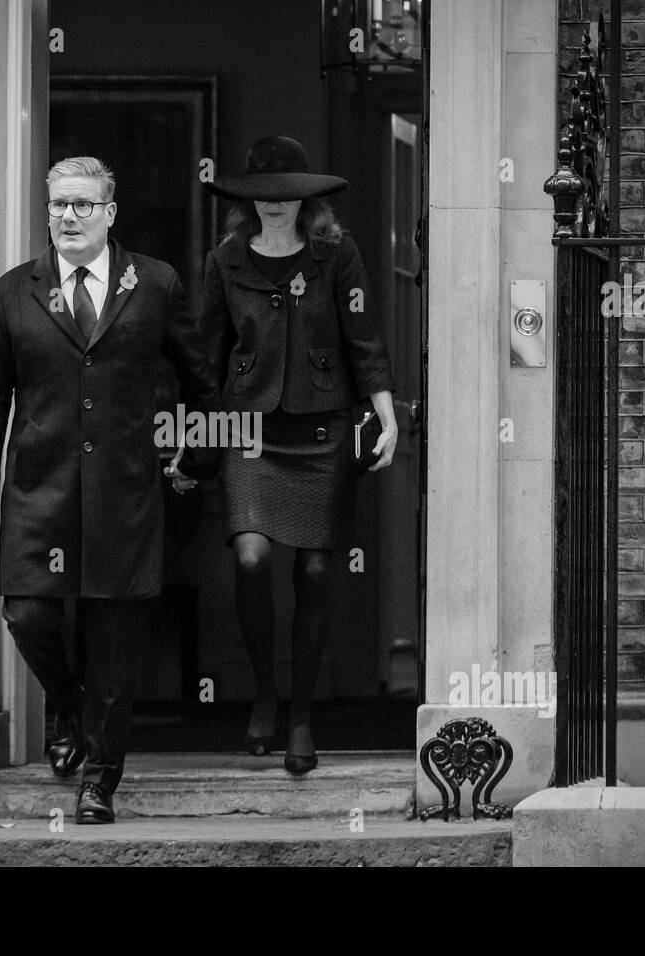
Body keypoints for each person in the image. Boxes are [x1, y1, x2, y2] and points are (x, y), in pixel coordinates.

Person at [0, 156, 220, 823]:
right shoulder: (16, 291)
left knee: (116, 638)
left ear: (109, 212)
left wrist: (197, 454)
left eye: (82, 205)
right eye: (58, 206)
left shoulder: (154, 283)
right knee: (29, 615)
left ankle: (99, 780)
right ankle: (67, 704)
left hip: (125, 494)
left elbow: (201, 380)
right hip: (36, 491)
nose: (68, 217)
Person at [200, 136, 397, 774]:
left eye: (287, 195)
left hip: (324, 429)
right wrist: (188, 429)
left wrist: (386, 411)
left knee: (314, 573)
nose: (276, 206)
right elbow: (206, 350)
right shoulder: (225, 258)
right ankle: (263, 691)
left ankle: (303, 717)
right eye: (264, 196)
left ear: (306, 196)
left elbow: (363, 336)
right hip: (248, 429)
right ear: (246, 199)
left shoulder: (336, 252)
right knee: (252, 559)